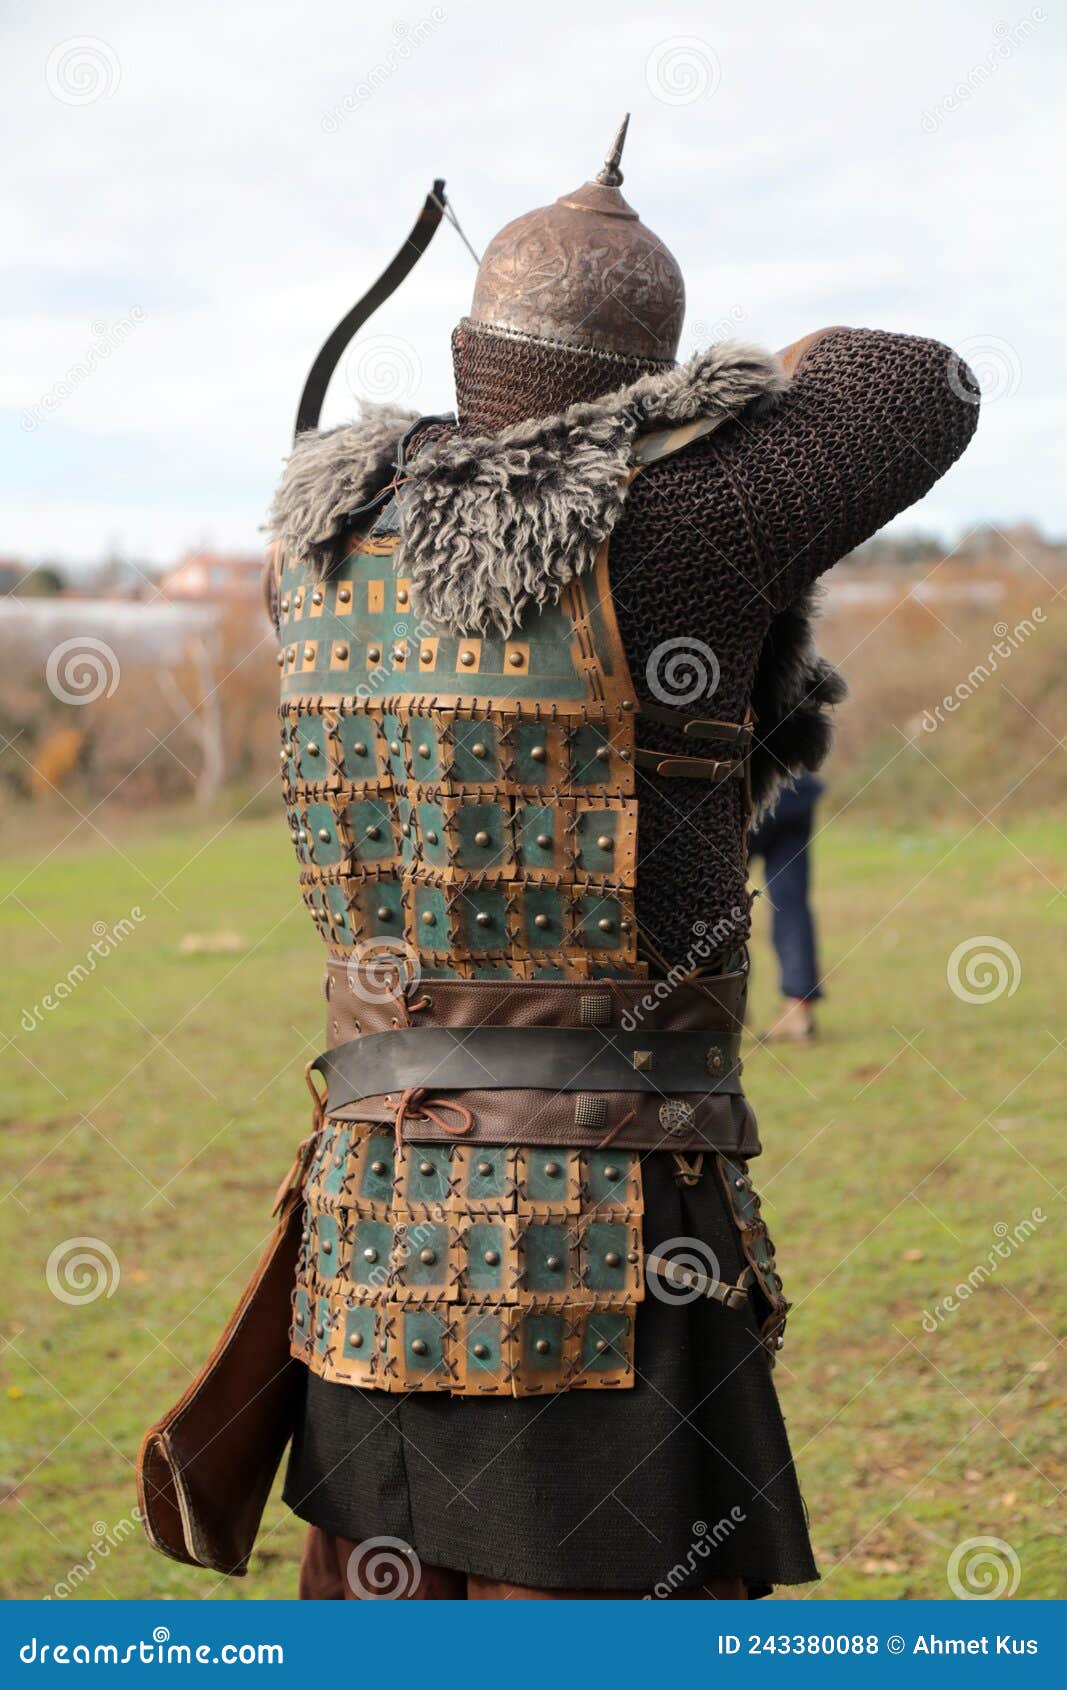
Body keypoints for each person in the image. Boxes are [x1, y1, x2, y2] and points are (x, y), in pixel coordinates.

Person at [151, 117, 977, 1601]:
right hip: (600, 1232)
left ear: (468, 349)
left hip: (373, 1218)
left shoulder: (326, 534)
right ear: (647, 387)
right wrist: (719, 409)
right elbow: (914, 383)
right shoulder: (679, 519)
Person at [749, 771, 825, 1042]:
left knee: (716, 900)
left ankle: (720, 1007)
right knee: (791, 903)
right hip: (792, 787)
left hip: (742, 791)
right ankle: (797, 1009)